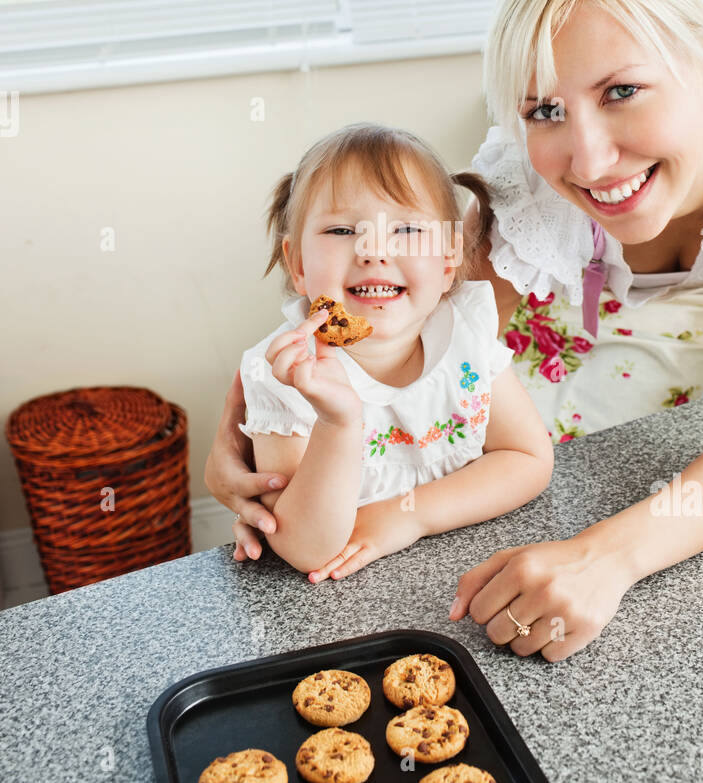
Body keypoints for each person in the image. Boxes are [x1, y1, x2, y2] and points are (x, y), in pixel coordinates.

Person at [206, 0, 703, 661]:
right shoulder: (526, 199)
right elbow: (400, 358)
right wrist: (245, 436)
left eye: (621, 92)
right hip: (558, 307)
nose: (590, 159)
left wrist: (610, 556)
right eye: (544, 109)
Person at [226, 122, 553, 581]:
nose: (373, 249)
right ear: (298, 265)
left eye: (405, 228)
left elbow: (528, 459)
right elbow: (305, 548)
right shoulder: (286, 377)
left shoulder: (466, 337)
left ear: (448, 259)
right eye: (341, 229)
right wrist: (338, 422)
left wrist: (409, 515)